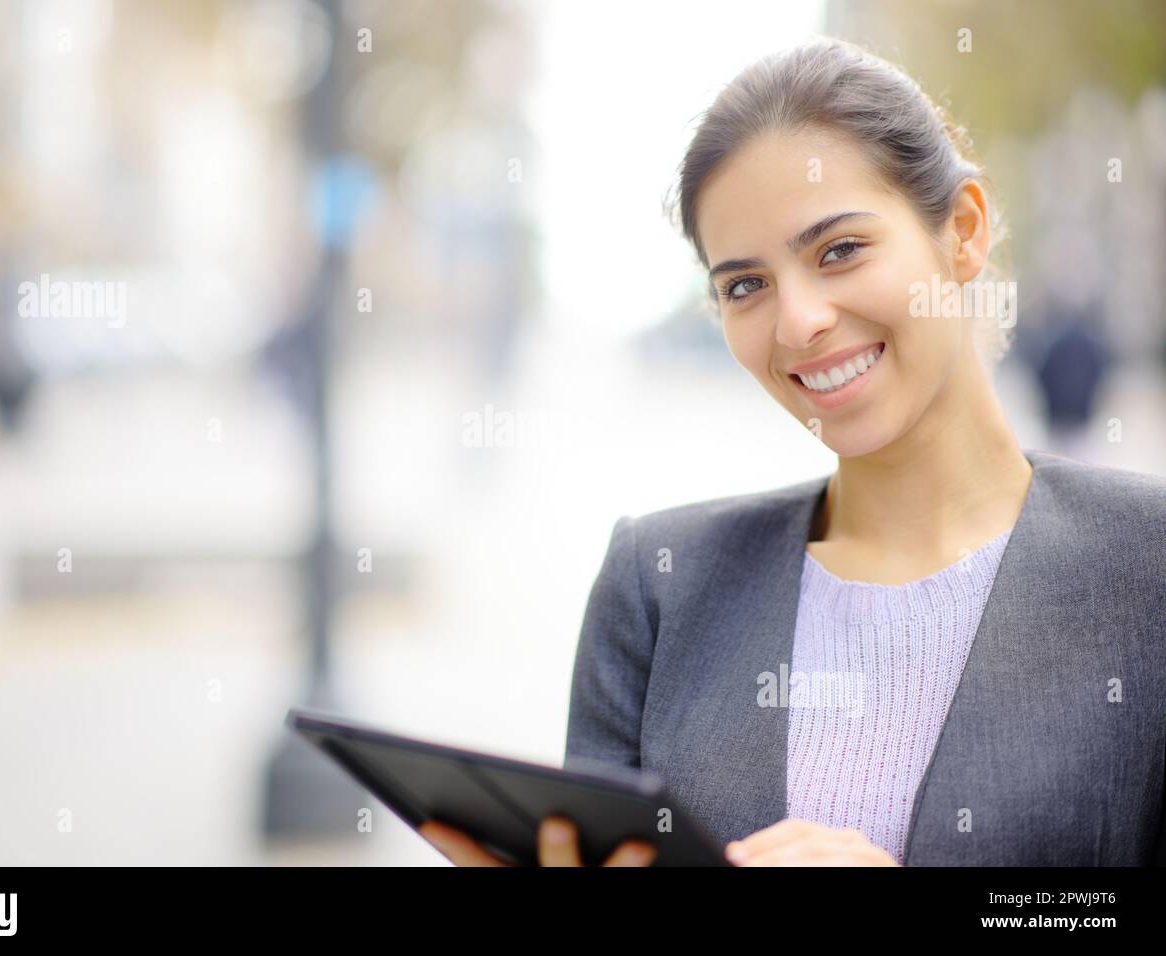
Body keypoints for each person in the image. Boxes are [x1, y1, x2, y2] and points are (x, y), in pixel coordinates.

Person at [419, 36, 1166, 867]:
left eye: (839, 250)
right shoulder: (658, 584)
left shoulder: (1149, 565)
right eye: (746, 285)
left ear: (963, 230)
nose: (797, 321)